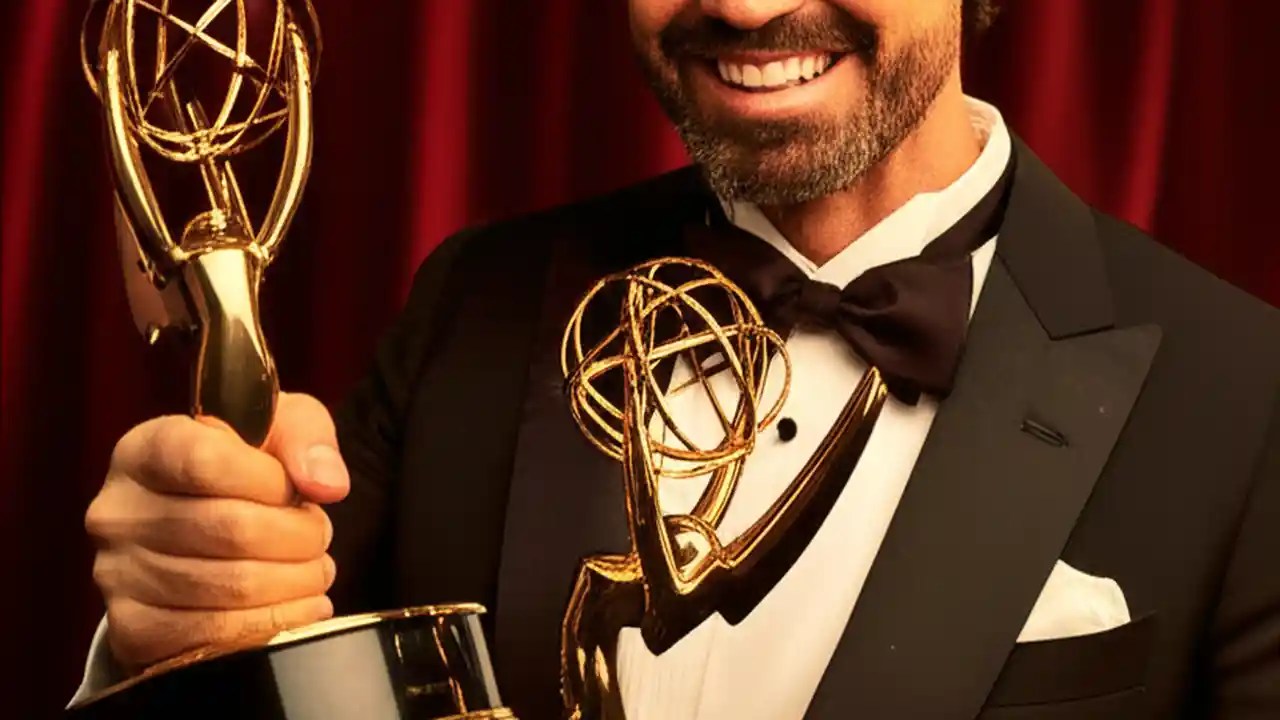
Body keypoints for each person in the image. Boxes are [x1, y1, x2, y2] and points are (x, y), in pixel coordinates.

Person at [75, 1, 1280, 718]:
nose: (748, 7)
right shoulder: (470, 309)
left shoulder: (1244, 400)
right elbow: (285, 690)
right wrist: (176, 626)